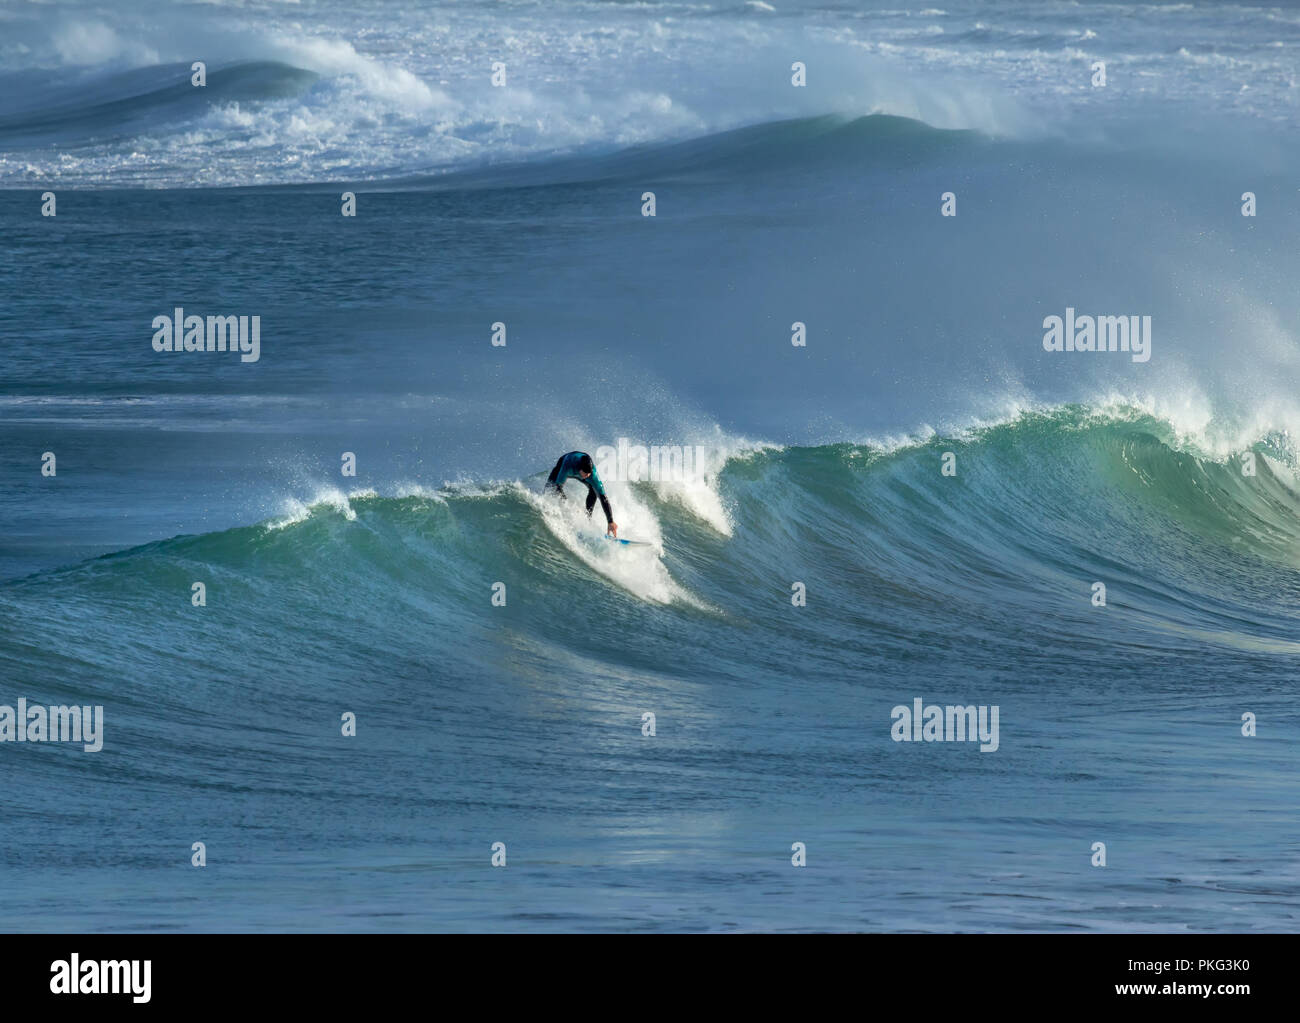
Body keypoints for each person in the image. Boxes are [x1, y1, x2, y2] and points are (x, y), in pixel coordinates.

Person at [546, 452, 617, 537]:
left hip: (580, 469)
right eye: (586, 473)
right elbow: (558, 487)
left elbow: (603, 497)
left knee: (594, 491)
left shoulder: (591, 474)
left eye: (589, 474)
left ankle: (588, 519)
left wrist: (610, 521)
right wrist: (566, 504)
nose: (587, 476)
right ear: (580, 470)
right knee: (552, 487)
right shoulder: (567, 466)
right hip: (564, 462)